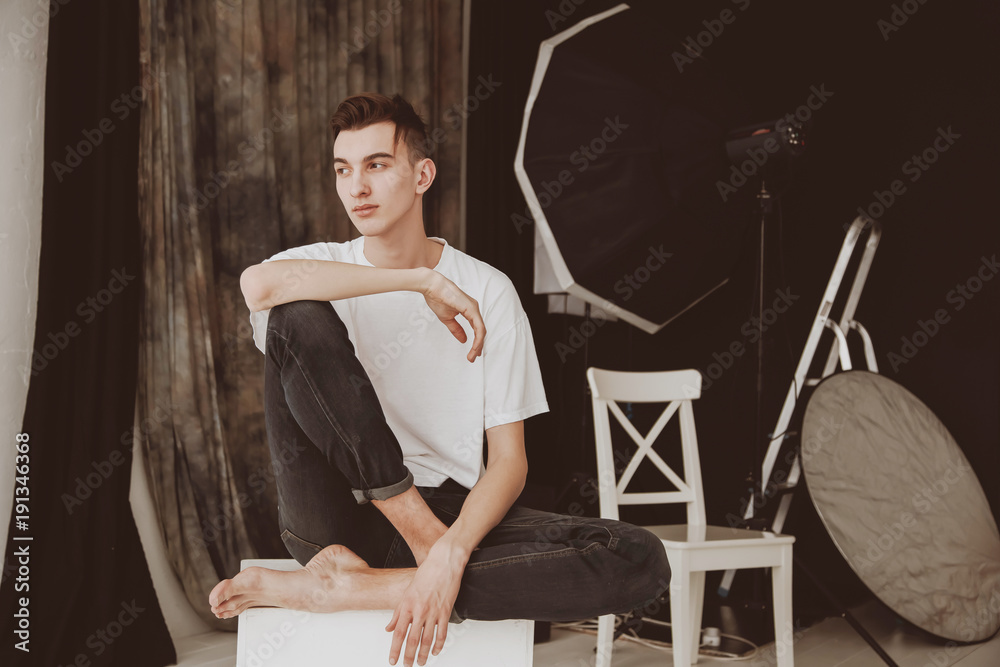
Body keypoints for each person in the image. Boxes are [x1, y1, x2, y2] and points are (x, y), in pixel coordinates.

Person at [208, 92, 670, 667]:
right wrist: (417, 282)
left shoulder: (490, 290)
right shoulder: (322, 262)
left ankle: (352, 589)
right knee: (297, 312)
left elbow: (509, 462)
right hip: (332, 518)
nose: (357, 188)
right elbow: (259, 287)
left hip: (449, 509)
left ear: (422, 174)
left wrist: (451, 549)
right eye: (343, 170)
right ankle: (416, 545)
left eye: (376, 165)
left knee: (636, 557)